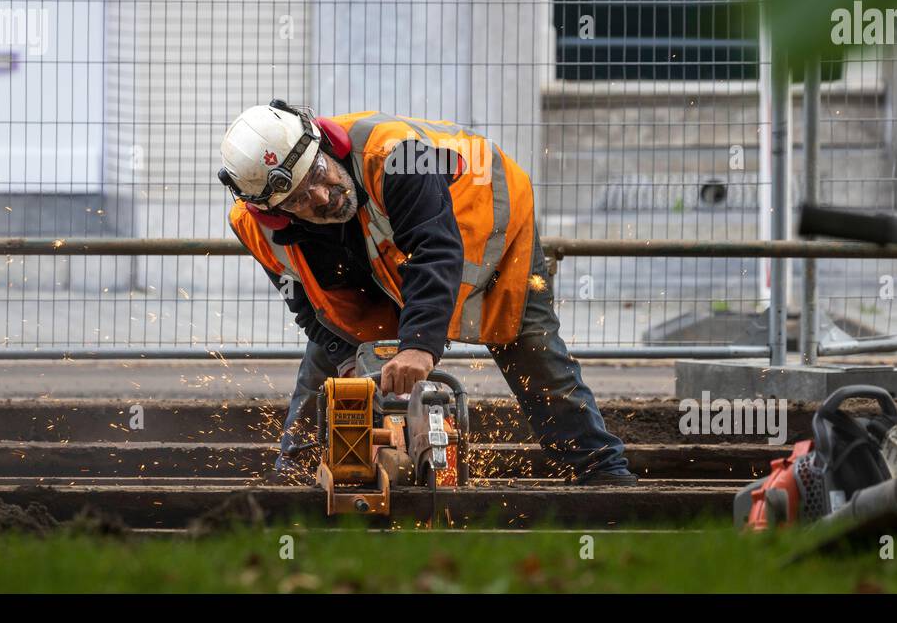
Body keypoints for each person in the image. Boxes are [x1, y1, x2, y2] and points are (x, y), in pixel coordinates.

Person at [218, 99, 636, 484]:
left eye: (317, 174)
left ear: (327, 144)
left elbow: (435, 251)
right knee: (331, 360)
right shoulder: (254, 227)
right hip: (384, 260)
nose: (324, 197)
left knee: (533, 352)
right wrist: (348, 361)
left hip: (488, 234)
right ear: (272, 214)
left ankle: (600, 469)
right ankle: (296, 473)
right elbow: (312, 309)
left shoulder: (397, 155)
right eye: (299, 199)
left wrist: (418, 346)